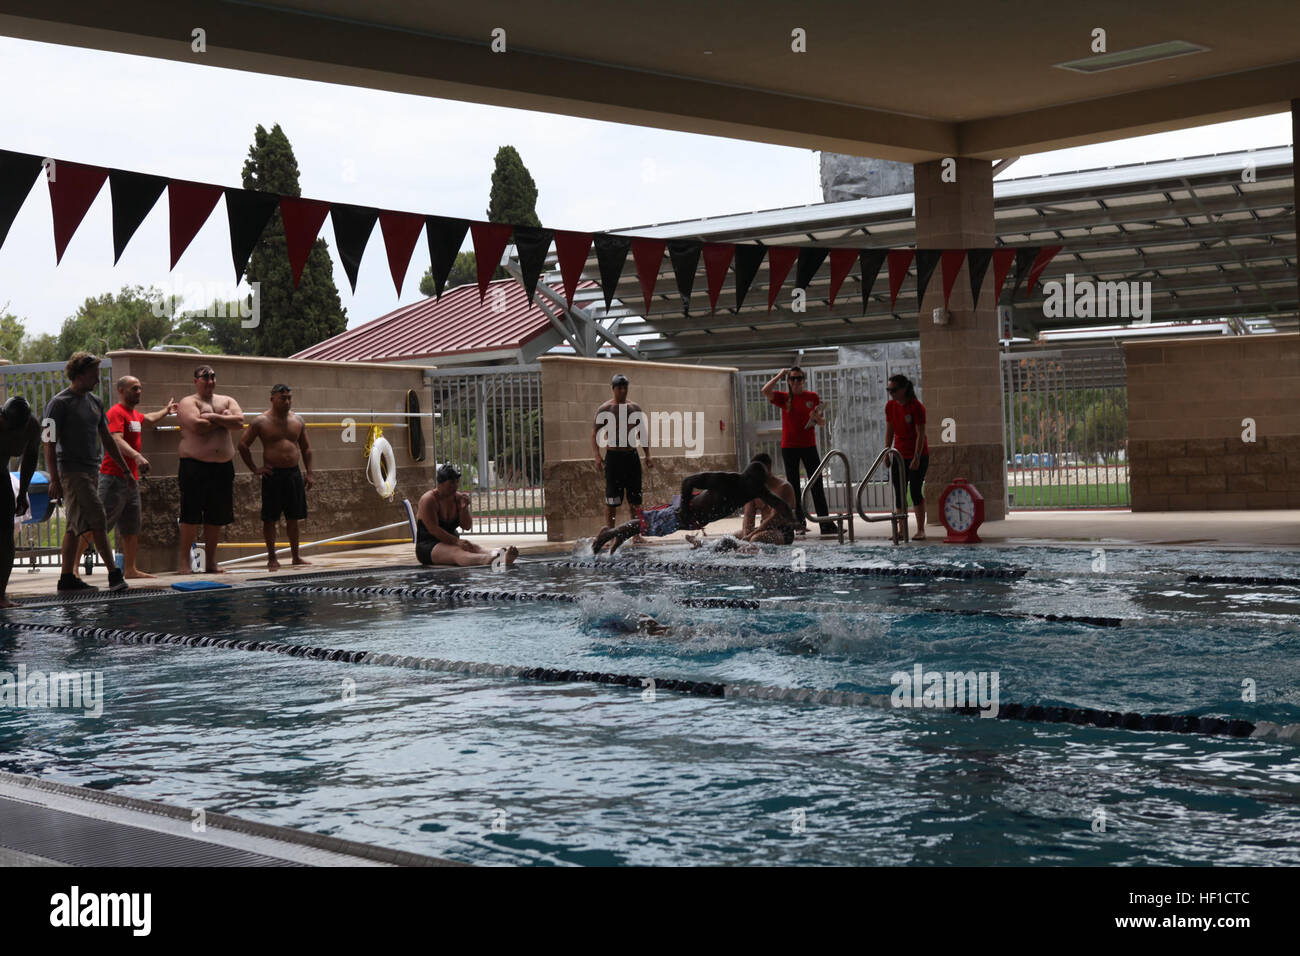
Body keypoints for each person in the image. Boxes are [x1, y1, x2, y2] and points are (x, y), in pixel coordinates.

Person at [42, 352, 136, 592]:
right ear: (81, 373)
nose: (97, 378)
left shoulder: (95, 402)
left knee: (74, 526)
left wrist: (125, 470)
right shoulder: (58, 403)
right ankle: (115, 575)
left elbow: (107, 439)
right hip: (72, 471)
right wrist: (54, 478)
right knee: (98, 518)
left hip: (91, 470)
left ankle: (66, 578)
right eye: (94, 373)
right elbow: (48, 443)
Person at [73, 376, 177, 578]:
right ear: (121, 390)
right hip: (113, 477)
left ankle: (130, 569)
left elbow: (150, 418)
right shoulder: (116, 413)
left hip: (131, 480)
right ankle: (72, 567)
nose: (138, 391)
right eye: (134, 388)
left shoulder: (134, 415)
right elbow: (116, 440)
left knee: (131, 526)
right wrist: (137, 455)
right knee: (98, 523)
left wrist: (167, 410)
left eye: (139, 388)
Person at [593, 458, 795, 555]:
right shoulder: (726, 480)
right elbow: (688, 481)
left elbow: (780, 504)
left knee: (652, 528)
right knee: (650, 523)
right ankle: (607, 534)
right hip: (689, 510)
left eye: (758, 486)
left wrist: (794, 520)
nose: (756, 490)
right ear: (746, 477)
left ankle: (617, 534)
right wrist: (686, 510)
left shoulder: (755, 489)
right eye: (753, 485)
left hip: (698, 518)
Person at [238, 384, 314, 571]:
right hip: (273, 475)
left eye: (289, 397)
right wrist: (256, 469)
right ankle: (272, 558)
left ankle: (296, 556)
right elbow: (242, 445)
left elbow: (306, 448)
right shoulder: (260, 421)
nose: (287, 401)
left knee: (294, 518)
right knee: (270, 519)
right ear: (272, 399)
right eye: (283, 398)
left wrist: (310, 473)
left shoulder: (298, 420)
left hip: (293, 474)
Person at [176, 364, 244, 573]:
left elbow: (239, 421)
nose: (210, 381)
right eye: (205, 378)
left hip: (222, 468)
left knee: (216, 517)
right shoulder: (188, 402)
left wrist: (212, 417)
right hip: (194, 466)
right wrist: (224, 420)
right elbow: (197, 426)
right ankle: (184, 563)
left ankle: (210, 562)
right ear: (196, 381)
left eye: (213, 377)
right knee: (191, 516)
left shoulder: (227, 399)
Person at [761, 366, 836, 535]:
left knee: (816, 484)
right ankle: (798, 523)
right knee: (793, 487)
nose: (796, 381)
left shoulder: (812, 397)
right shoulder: (784, 398)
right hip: (789, 447)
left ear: (803, 380)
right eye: (793, 378)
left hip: (809, 446)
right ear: (788, 381)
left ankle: (825, 523)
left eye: (799, 378)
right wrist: (780, 374)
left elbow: (822, 422)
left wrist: (816, 418)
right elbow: (765, 390)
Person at [685, 452, 797, 552]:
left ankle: (744, 550)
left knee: (756, 538)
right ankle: (705, 546)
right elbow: (748, 516)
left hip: (782, 532)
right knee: (731, 537)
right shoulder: (754, 487)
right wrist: (746, 534)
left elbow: (774, 519)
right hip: (762, 529)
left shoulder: (783, 488)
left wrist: (750, 536)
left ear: (767, 468)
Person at [415, 463, 518, 567]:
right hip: (428, 546)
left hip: (451, 542)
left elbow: (467, 526)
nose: (455, 486)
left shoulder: (458, 498)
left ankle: (498, 555)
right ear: (440, 483)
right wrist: (456, 541)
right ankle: (488, 560)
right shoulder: (429, 500)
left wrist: (463, 510)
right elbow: (433, 529)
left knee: (473, 547)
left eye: (456, 482)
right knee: (456, 552)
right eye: (451, 483)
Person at [592, 373, 652, 529]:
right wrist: (597, 455)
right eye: (620, 388)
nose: (623, 391)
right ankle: (611, 535)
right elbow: (594, 433)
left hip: (632, 456)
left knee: (635, 499)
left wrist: (648, 455)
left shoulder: (634, 408)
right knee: (612, 499)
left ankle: (636, 535)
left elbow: (642, 433)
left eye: (625, 387)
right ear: (613, 389)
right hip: (613, 457)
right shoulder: (605, 409)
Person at [0, 397, 42, 607]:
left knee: (6, 538)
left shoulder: (32, 427)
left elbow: (31, 457)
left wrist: (22, 492)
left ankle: (0, 596)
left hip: (1, 477)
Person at [884, 373, 929, 540]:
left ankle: (920, 529)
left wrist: (917, 457)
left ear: (903, 389)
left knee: (915, 491)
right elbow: (889, 431)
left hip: (918, 455)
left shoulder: (916, 407)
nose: (891, 393)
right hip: (899, 455)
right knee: (900, 492)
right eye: (888, 389)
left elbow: (921, 434)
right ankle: (901, 530)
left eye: (894, 390)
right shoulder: (890, 406)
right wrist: (886, 452)